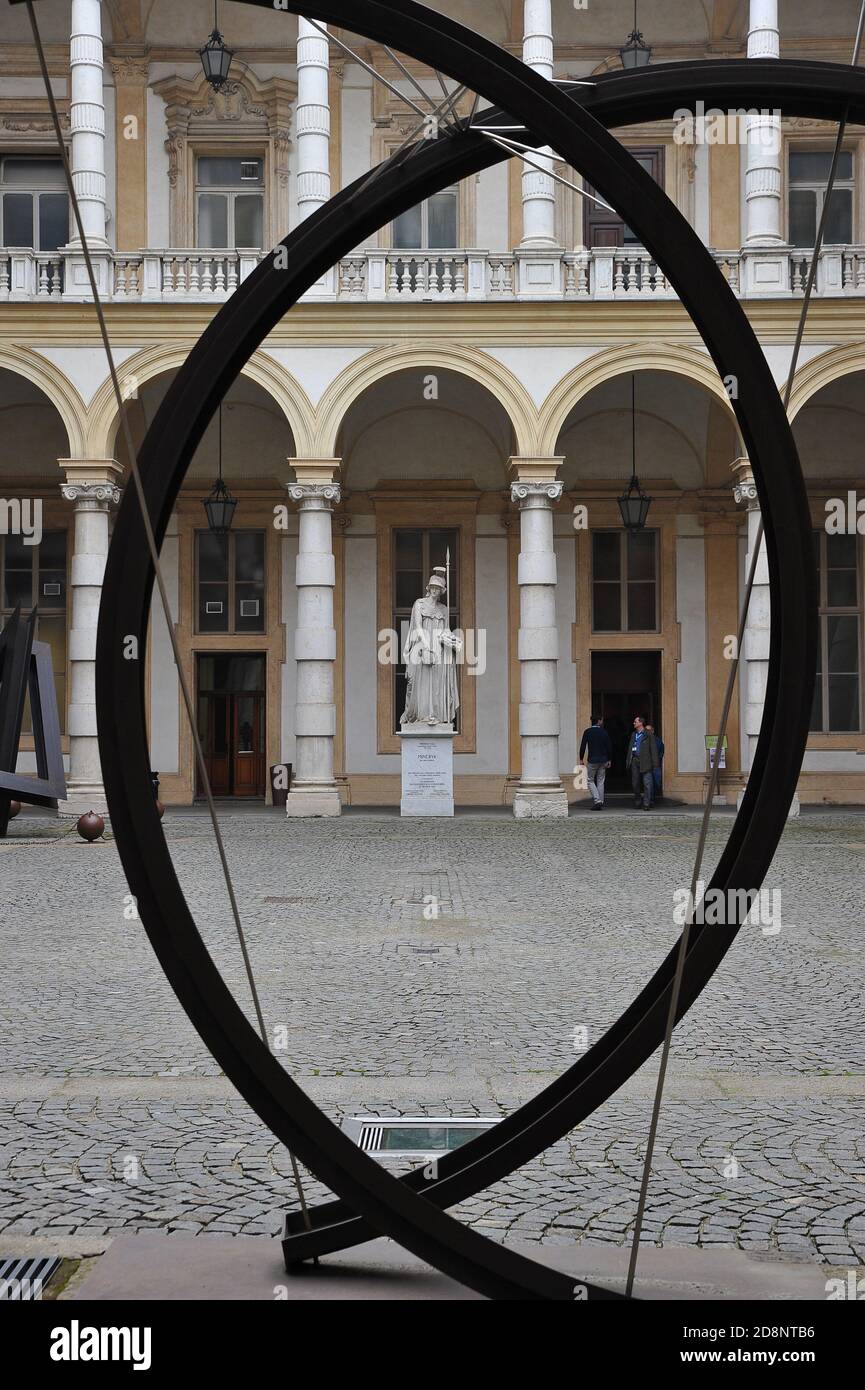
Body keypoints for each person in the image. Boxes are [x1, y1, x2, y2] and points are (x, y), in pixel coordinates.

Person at [625, 714, 659, 810]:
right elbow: (630, 748)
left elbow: (653, 749)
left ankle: (646, 804)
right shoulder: (633, 734)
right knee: (635, 783)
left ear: (640, 723)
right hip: (635, 760)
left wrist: (655, 763)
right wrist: (628, 761)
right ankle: (638, 801)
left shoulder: (648, 734)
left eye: (635, 722)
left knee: (647, 783)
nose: (634, 723)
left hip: (646, 761)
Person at [579, 715, 612, 810]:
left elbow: (583, 746)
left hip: (592, 760)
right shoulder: (604, 732)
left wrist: (581, 758)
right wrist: (609, 759)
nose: (602, 721)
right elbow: (609, 746)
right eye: (601, 720)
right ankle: (600, 801)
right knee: (601, 781)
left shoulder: (587, 732)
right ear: (599, 721)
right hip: (603, 760)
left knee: (590, 780)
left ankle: (597, 800)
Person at [646, 723, 664, 803]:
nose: (647, 732)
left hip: (656, 765)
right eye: (646, 730)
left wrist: (657, 759)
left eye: (649, 730)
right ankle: (650, 799)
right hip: (647, 765)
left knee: (657, 782)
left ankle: (653, 796)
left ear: (652, 731)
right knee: (649, 783)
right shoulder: (643, 740)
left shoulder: (658, 741)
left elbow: (661, 751)